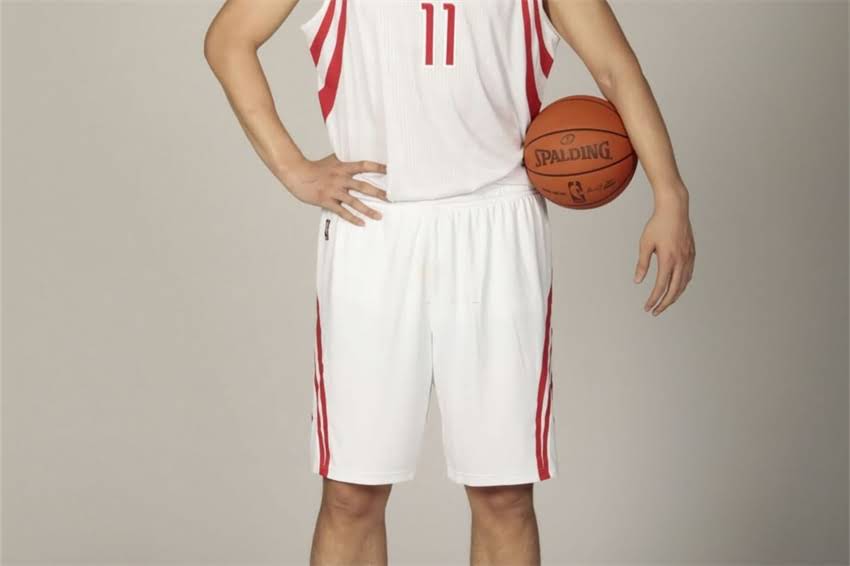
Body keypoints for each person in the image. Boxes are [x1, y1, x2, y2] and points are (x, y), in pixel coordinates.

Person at [204, 0, 696, 563]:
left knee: (504, 495)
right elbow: (227, 40)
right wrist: (293, 169)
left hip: (496, 222)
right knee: (350, 493)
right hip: (374, 219)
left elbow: (615, 67)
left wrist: (670, 193)